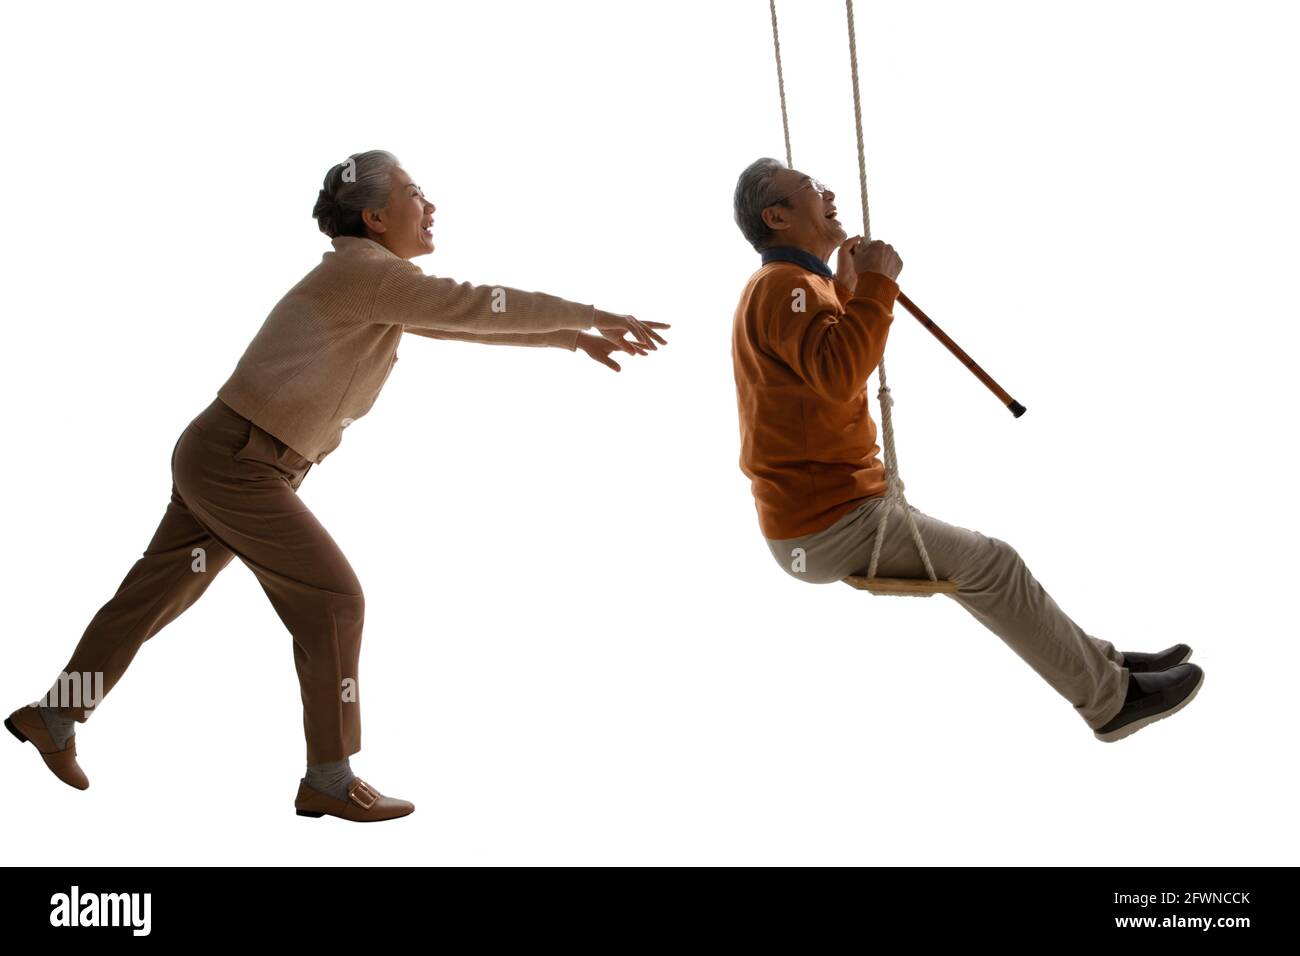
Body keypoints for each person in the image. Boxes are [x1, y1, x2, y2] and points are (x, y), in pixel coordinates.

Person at [5, 150, 669, 821]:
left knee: (151, 598)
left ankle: (54, 716)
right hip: (241, 462)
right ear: (376, 215)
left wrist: (569, 339)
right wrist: (591, 314)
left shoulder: (374, 282)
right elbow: (476, 304)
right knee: (333, 599)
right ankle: (328, 775)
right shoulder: (365, 273)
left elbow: (453, 319)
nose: (429, 204)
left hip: (228, 455)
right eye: (415, 192)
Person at [728, 157, 1201, 742]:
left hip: (827, 513)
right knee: (992, 565)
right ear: (776, 216)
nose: (826, 191)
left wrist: (850, 289)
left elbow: (816, 372)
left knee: (989, 567)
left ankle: (1100, 663)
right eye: (808, 189)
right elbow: (838, 372)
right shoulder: (785, 287)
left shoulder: (799, 285)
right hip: (824, 527)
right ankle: (1110, 702)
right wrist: (875, 286)